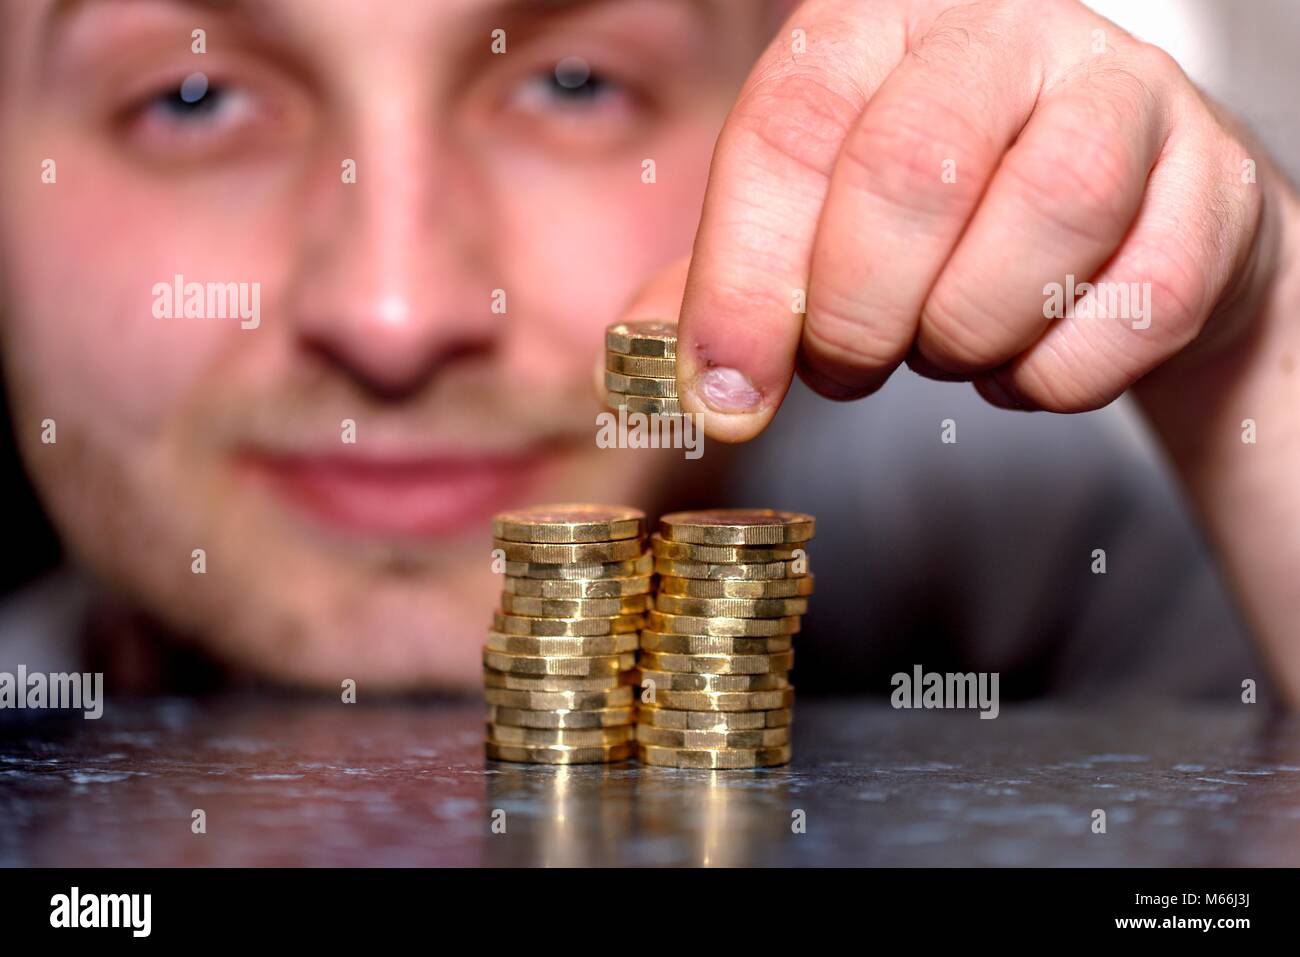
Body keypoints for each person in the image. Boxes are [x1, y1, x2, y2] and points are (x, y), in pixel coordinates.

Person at [0, 0, 1296, 704]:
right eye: (190, 97)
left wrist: (1265, 351)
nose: (393, 313)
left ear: (795, 109)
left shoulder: (1065, 580)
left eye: (574, 84)